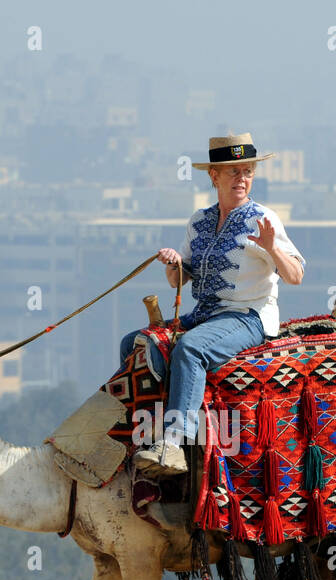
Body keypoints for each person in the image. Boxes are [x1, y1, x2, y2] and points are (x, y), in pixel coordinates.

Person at [122, 132, 305, 478]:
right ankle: (136, 433)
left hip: (248, 316)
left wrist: (272, 247)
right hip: (205, 316)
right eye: (233, 171)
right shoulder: (199, 221)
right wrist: (174, 262)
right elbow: (181, 279)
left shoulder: (263, 219)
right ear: (214, 177)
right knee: (135, 343)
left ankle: (174, 443)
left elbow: (295, 274)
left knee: (190, 350)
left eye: (247, 171)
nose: (241, 178)